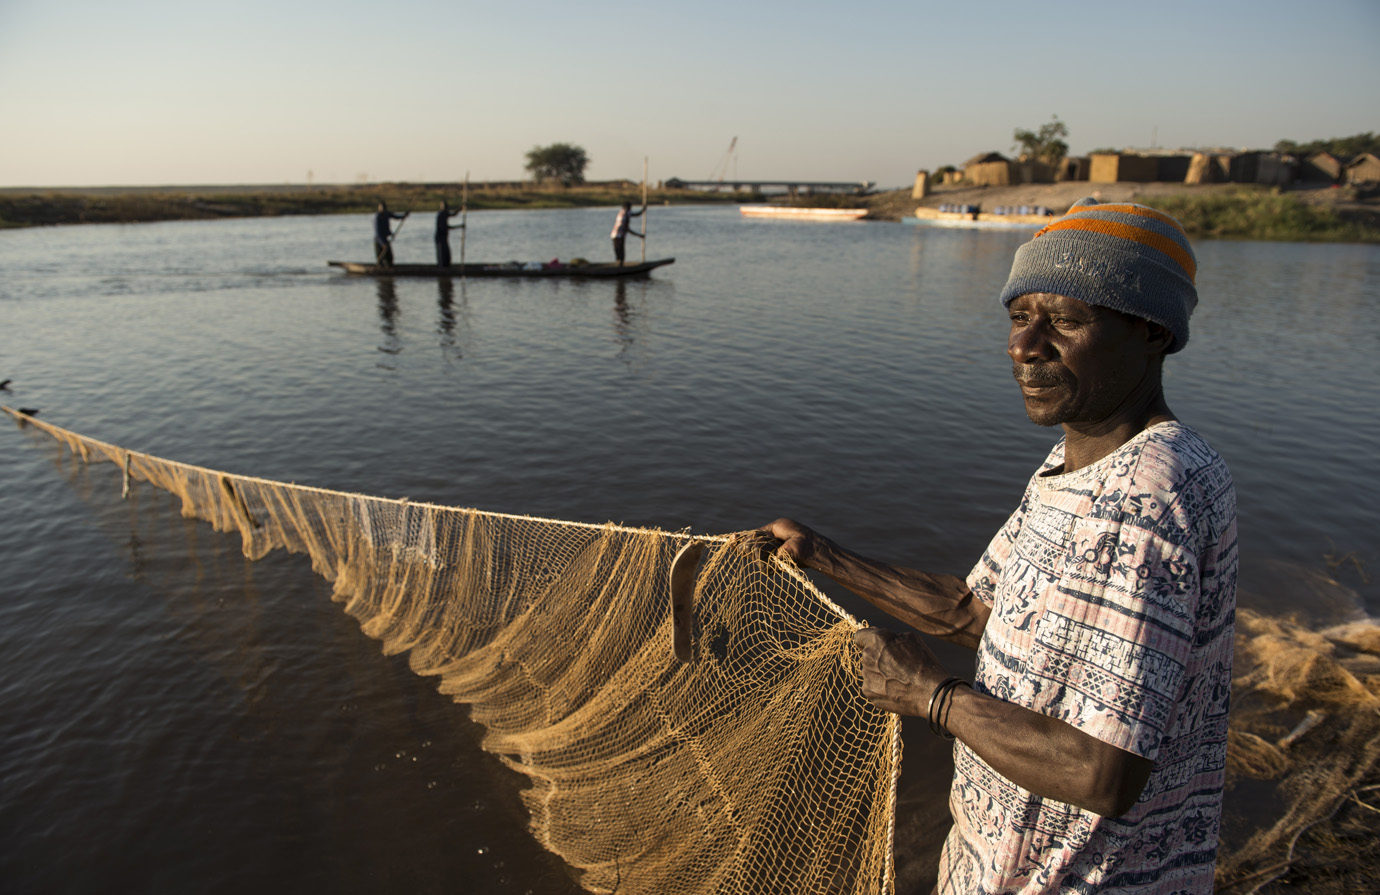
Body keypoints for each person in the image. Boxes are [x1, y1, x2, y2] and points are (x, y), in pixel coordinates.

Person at [744, 198, 1237, 894]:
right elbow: (977, 612)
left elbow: (1104, 772)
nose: (1024, 345)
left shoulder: (1144, 499)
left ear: (1151, 331)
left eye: (1065, 321)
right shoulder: (1077, 462)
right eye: (1018, 316)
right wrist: (822, 554)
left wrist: (930, 693)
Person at [373, 201, 408, 267]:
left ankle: (389, 268)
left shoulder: (387, 214)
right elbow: (378, 232)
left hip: (385, 239)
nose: (383, 209)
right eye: (381, 207)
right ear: (379, 208)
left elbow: (395, 217)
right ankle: (380, 267)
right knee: (380, 260)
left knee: (390, 258)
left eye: (384, 207)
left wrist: (403, 216)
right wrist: (383, 244)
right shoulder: (377, 217)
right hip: (378, 241)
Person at [610, 201, 644, 266]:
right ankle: (620, 265)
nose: (630, 209)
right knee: (620, 250)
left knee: (618, 250)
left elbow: (635, 214)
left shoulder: (623, 212)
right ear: (627, 207)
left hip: (616, 235)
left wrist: (642, 210)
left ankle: (619, 263)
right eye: (630, 208)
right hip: (618, 235)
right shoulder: (624, 215)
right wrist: (639, 235)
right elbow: (627, 229)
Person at [435, 200, 464, 268]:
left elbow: (453, 214)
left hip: (444, 237)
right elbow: (446, 227)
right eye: (444, 206)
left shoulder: (445, 213)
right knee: (442, 255)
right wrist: (460, 226)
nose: (445, 208)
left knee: (447, 254)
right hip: (440, 237)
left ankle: (446, 267)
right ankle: (442, 268)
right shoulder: (441, 214)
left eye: (446, 206)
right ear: (441, 207)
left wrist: (460, 208)